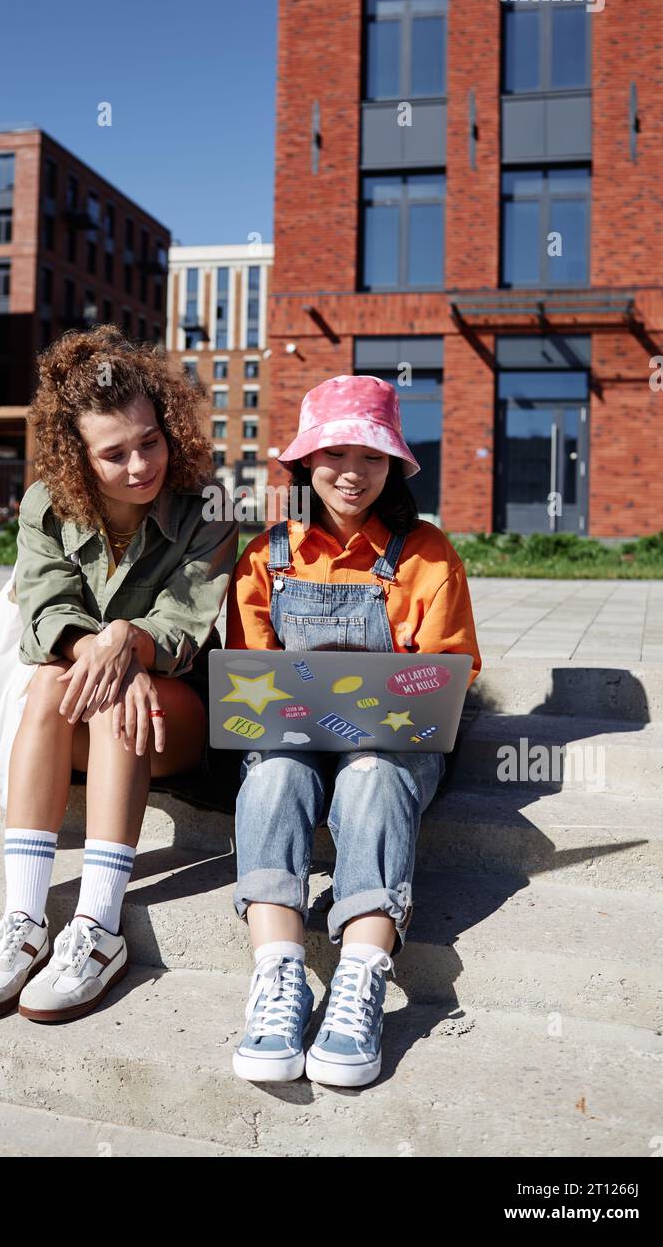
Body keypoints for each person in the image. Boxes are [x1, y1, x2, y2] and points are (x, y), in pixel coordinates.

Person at [0, 325, 238, 1023]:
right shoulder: (43, 507)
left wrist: (128, 641)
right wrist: (105, 651)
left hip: (183, 714)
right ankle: (24, 920)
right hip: (79, 703)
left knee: (110, 698)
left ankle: (98, 929)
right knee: (52, 680)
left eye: (150, 441)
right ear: (76, 457)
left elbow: (187, 623)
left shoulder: (211, 505)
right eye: (114, 453)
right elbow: (46, 614)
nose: (141, 464)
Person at [224, 374, 481, 1087]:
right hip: (292, 746)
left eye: (372, 457)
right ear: (305, 462)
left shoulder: (427, 553)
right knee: (273, 771)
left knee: (370, 772)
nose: (352, 472)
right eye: (334, 453)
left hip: (393, 748)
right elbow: (250, 683)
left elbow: (449, 673)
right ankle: (279, 977)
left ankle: (360, 977)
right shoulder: (264, 557)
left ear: (395, 466)